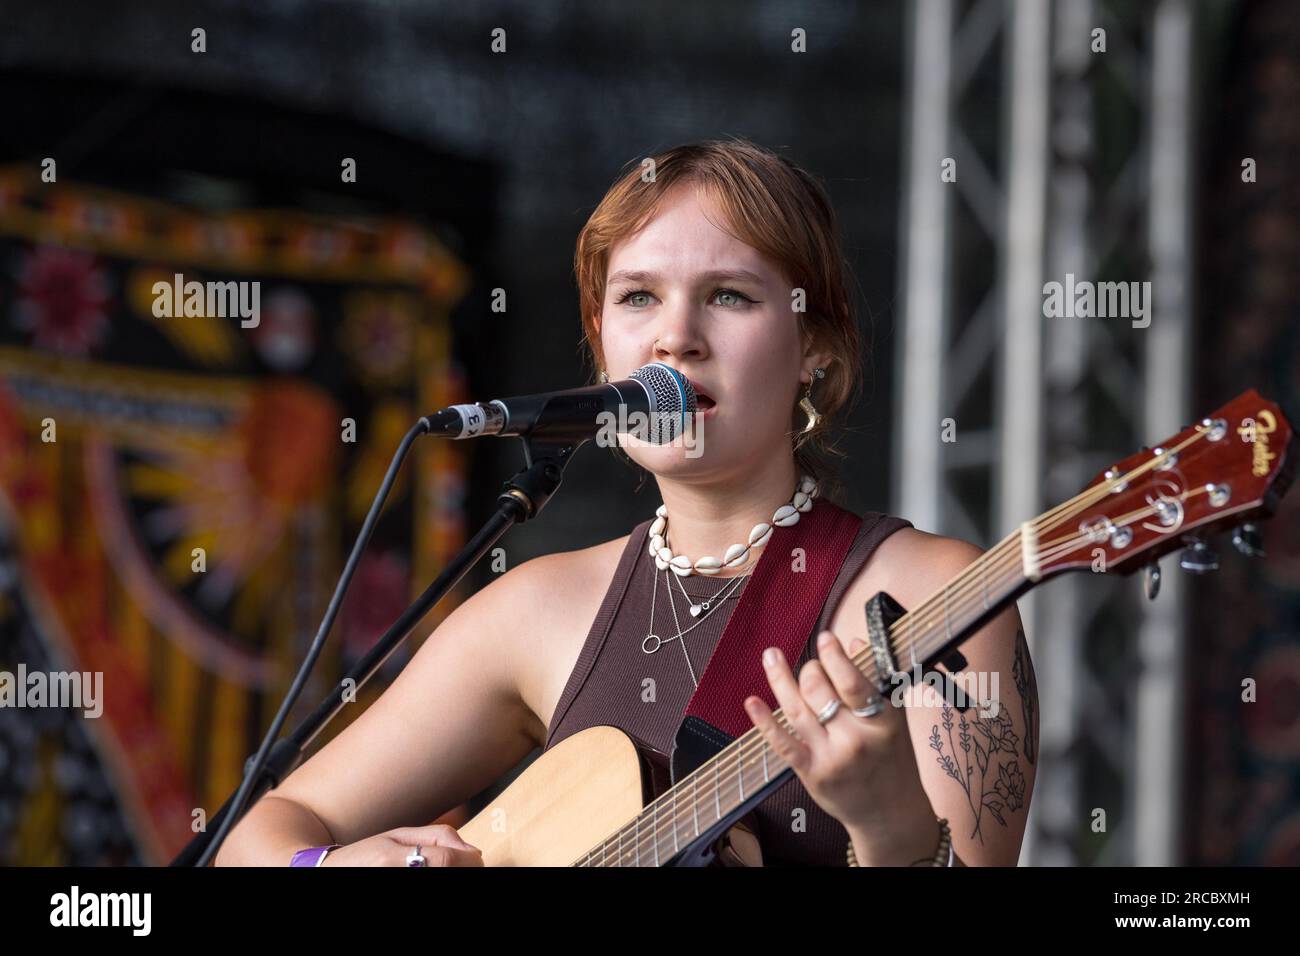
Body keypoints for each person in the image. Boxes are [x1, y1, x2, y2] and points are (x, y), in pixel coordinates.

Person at [214, 138, 1037, 867]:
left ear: (814, 350)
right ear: (601, 342)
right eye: (638, 297)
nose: (674, 336)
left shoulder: (934, 595)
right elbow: (258, 833)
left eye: (729, 296)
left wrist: (893, 832)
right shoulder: (537, 609)